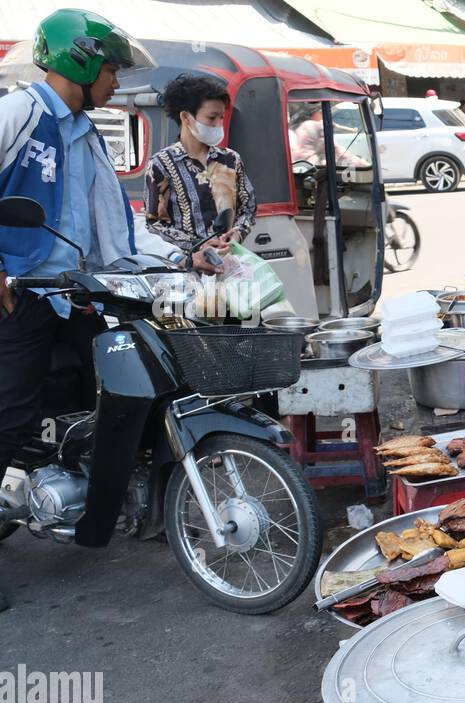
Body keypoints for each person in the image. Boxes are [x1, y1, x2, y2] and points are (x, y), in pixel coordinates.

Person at [0, 10, 140, 609]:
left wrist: (167, 266)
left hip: (74, 295)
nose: (117, 81)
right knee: (7, 418)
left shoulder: (88, 133)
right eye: (112, 68)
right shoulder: (19, 112)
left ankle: (80, 512)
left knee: (105, 399)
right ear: (79, 61)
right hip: (21, 297)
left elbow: (111, 225)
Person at [145, 73, 256, 271]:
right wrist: (198, 245)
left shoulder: (231, 159)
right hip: (186, 272)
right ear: (186, 117)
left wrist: (237, 233)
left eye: (221, 117)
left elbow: (248, 207)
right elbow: (154, 224)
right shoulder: (161, 164)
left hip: (229, 267)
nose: (218, 124)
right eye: (211, 117)